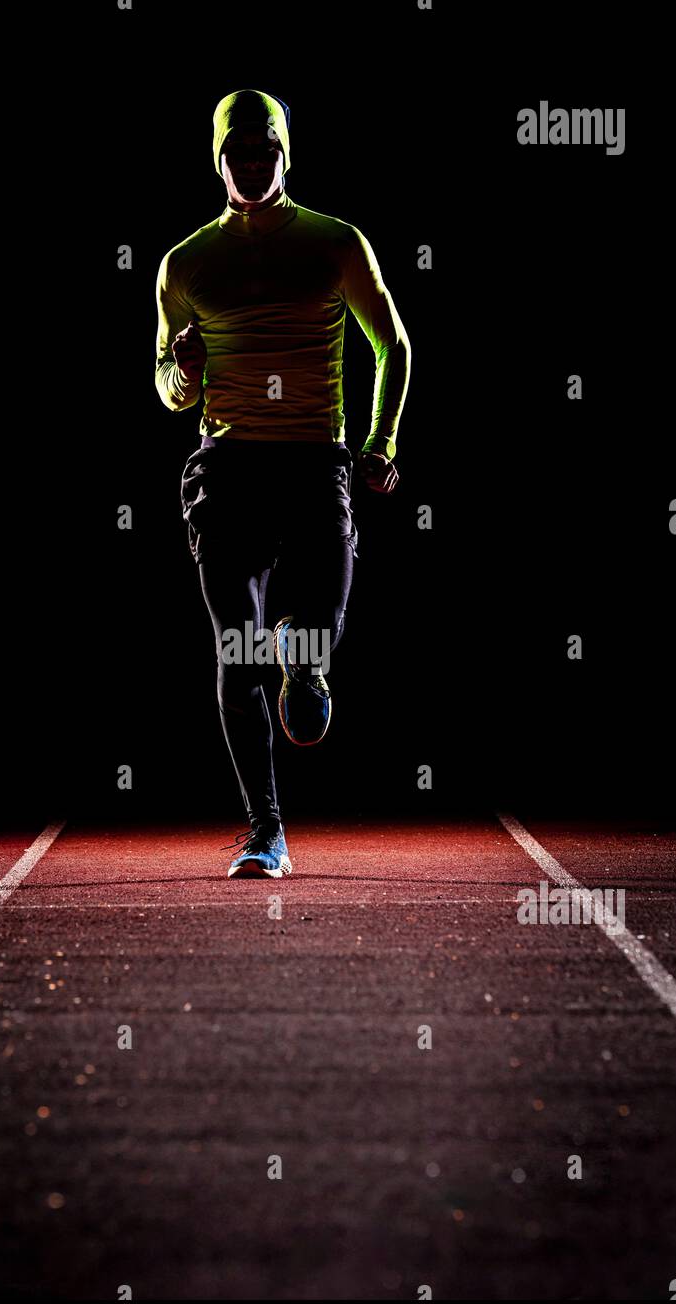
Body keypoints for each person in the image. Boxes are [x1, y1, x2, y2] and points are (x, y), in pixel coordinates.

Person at [155, 89, 411, 877]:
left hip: (313, 466)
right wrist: (183, 369)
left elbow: (393, 344)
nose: (252, 162)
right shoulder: (185, 262)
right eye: (238, 151)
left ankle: (305, 667)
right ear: (219, 160)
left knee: (306, 663)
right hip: (228, 473)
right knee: (237, 652)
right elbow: (168, 388)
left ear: (284, 155)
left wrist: (380, 441)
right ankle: (267, 830)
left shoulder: (335, 243)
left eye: (265, 148)